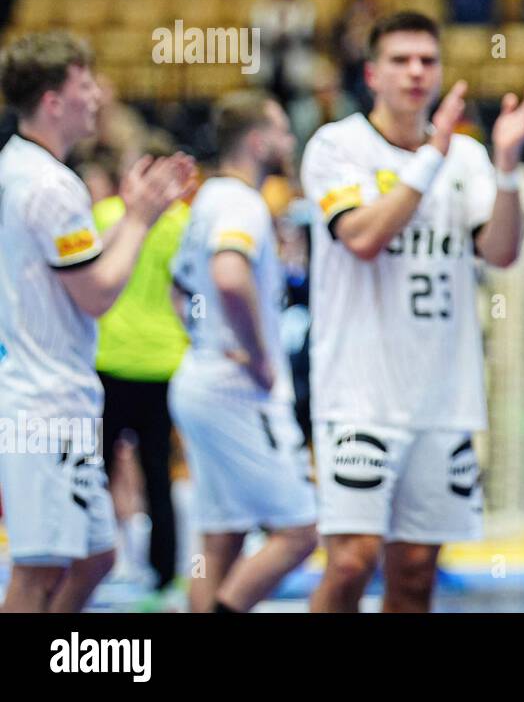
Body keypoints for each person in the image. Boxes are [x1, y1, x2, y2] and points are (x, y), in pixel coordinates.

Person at [301, 11, 524, 612]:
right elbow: (361, 236)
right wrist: (429, 157)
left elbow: (502, 251)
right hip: (359, 395)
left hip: (443, 396)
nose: (415, 71)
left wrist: (506, 170)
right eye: (401, 60)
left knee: (413, 573)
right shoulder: (336, 146)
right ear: (371, 73)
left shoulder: (466, 155)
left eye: (427, 60)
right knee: (352, 558)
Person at [0, 32, 193, 612]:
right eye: (86, 84)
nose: (99, 95)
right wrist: (139, 219)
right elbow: (96, 293)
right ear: (55, 100)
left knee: (97, 556)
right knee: (37, 571)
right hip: (44, 403)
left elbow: (70, 262)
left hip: (60, 398)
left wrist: (131, 217)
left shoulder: (24, 167)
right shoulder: (51, 186)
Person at [168, 91, 317, 612]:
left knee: (221, 538)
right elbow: (229, 278)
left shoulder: (207, 198)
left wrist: (205, 339)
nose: (289, 140)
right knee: (300, 531)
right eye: (280, 130)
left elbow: (179, 288)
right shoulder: (242, 203)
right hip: (235, 387)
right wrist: (256, 355)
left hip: (199, 375)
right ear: (257, 142)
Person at [87, 139, 191, 597]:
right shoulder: (183, 225)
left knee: (94, 474)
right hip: (164, 362)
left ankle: (98, 564)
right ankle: (164, 577)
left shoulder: (108, 216)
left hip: (110, 359)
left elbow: (83, 277)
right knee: (157, 476)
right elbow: (190, 299)